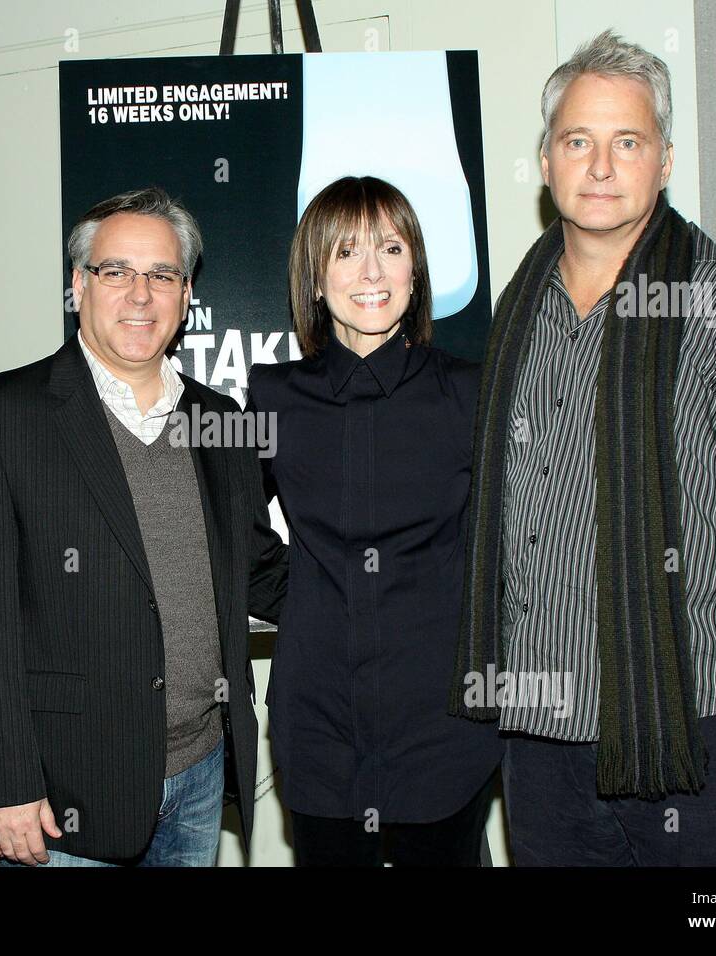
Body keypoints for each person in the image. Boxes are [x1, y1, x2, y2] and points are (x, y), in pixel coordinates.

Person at [450, 31, 716, 866]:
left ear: (664, 159)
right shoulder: (514, 321)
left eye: (625, 142)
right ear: (548, 161)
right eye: (577, 141)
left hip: (703, 726)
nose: (599, 166)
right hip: (544, 727)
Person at [0, 186, 287, 867]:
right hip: (66, 794)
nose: (140, 294)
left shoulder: (222, 420)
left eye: (162, 275)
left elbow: (257, 566)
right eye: (115, 271)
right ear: (78, 284)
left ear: (187, 293)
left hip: (202, 773)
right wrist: (5, 783)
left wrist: (377, 610)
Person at [246, 176, 502, 867]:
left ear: (415, 270)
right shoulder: (272, 398)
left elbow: (515, 544)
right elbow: (235, 535)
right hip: (318, 718)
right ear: (315, 276)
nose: (370, 272)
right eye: (346, 251)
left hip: (445, 721)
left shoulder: (471, 392)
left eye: (390, 248)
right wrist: (302, 600)